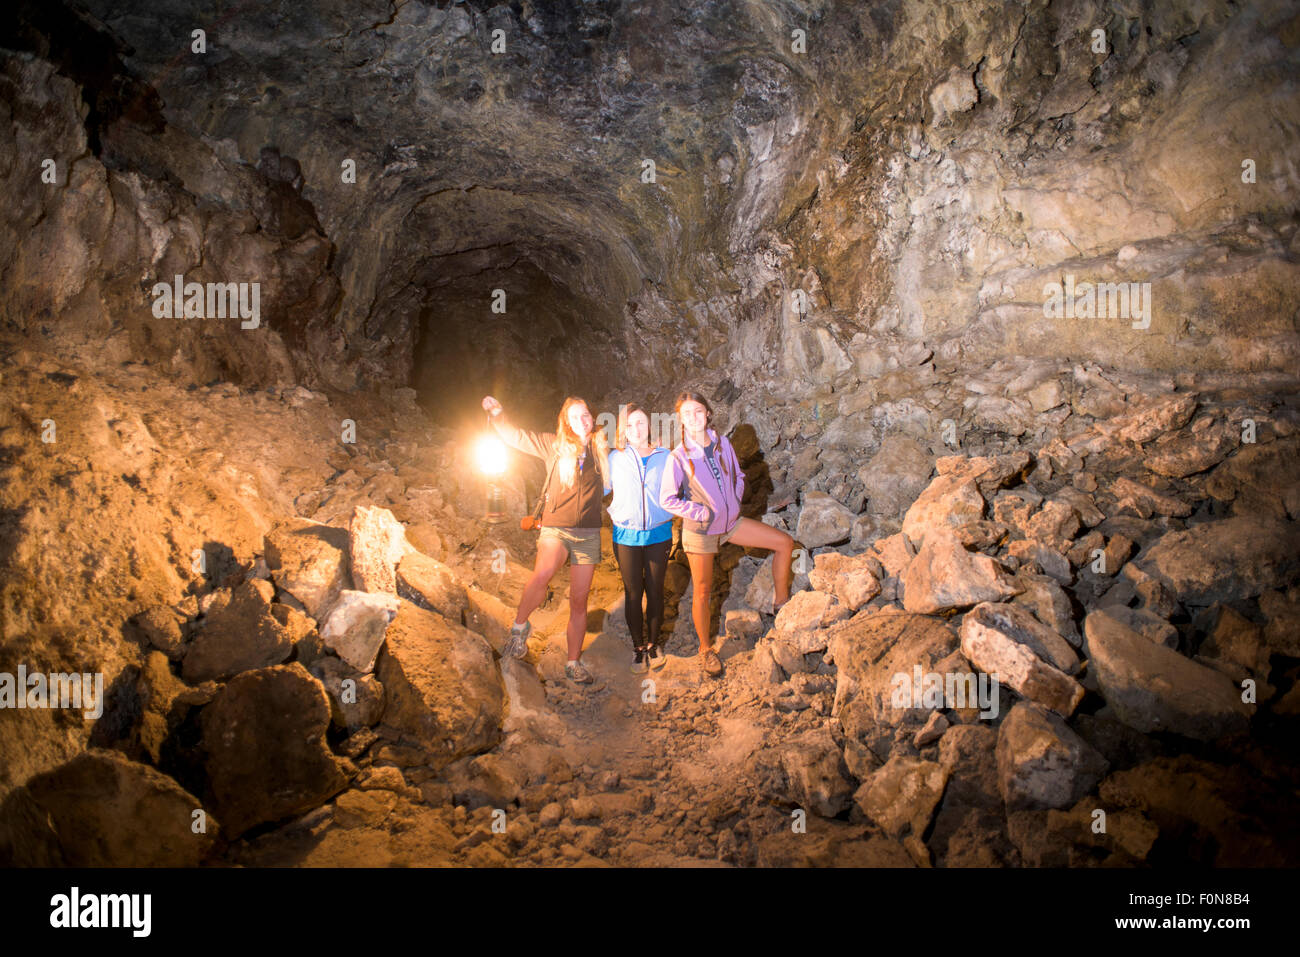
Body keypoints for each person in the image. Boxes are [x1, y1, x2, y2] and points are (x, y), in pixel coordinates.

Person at [659, 391, 794, 677]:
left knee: (784, 543)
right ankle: (705, 650)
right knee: (703, 591)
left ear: (708, 413)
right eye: (686, 414)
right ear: (680, 420)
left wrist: (734, 499)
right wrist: (702, 513)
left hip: (731, 523)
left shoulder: (723, 445)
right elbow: (667, 499)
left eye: (697, 411)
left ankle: (782, 606)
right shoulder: (679, 456)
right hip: (700, 532)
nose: (693, 418)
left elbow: (739, 476)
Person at [482, 393, 608, 685]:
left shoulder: (604, 451)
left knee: (579, 601)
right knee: (543, 574)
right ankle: (519, 629)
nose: (582, 421)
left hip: (588, 534)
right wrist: (498, 414)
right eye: (575, 416)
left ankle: (573, 662)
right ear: (566, 421)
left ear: (592, 417)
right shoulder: (553, 445)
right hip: (556, 528)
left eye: (586, 414)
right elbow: (516, 436)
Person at [607, 403, 674, 673]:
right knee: (633, 593)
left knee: (656, 591)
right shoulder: (614, 458)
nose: (636, 429)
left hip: (659, 533)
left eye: (641, 423)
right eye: (630, 424)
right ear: (623, 429)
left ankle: (654, 644)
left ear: (650, 426)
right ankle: (638, 648)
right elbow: (596, 488)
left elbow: (681, 487)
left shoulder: (666, 455)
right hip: (626, 535)